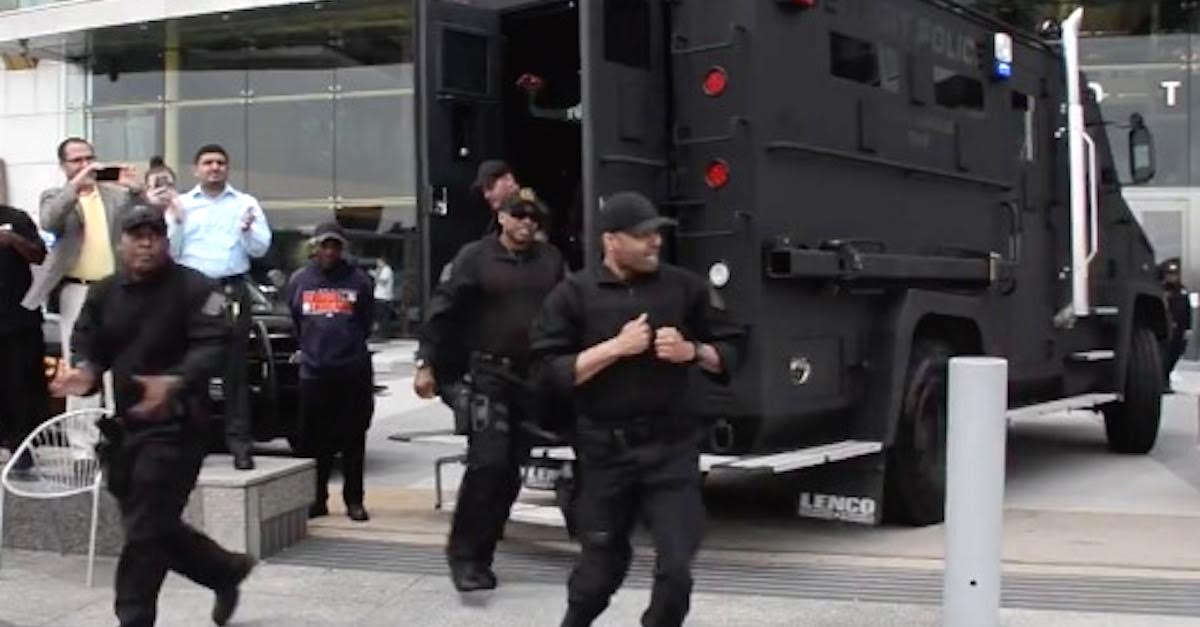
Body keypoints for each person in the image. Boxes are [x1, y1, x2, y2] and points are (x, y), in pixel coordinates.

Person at [530, 192, 745, 627]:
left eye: (657, 235)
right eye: (642, 236)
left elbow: (734, 350)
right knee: (600, 571)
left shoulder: (683, 287)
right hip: (604, 453)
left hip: (671, 449)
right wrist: (615, 348)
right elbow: (549, 371)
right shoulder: (574, 294)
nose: (655, 244)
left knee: (676, 569)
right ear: (611, 241)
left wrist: (693, 351)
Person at [50, 206, 256, 627]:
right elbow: (90, 345)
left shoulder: (199, 288)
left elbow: (214, 345)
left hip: (180, 426)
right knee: (154, 525)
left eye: (154, 235)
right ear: (121, 241)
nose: (145, 243)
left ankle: (134, 619)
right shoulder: (105, 292)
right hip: (127, 430)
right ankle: (224, 570)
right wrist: (83, 374)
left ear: (166, 240)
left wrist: (175, 381)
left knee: (145, 530)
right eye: (136, 234)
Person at [413, 187, 565, 592]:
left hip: (531, 379)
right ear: (502, 217)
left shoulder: (550, 261)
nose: (526, 223)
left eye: (534, 218)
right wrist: (426, 362)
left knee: (512, 470)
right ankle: (465, 555)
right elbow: (442, 309)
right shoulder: (474, 258)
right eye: (519, 215)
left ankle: (486, 548)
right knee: (487, 464)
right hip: (487, 376)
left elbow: (569, 311)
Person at [169, 144, 271, 470]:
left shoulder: (245, 203)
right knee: (192, 371)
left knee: (235, 371)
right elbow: (170, 252)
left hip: (231, 290)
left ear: (227, 168)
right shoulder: (181, 204)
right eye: (207, 163)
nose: (214, 168)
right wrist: (177, 223)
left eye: (220, 163)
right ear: (196, 169)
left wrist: (246, 230)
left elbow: (260, 248)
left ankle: (240, 444)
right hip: (192, 292)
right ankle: (194, 444)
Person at [23, 137, 145, 409]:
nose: (85, 165)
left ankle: (118, 433)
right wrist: (77, 185)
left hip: (117, 288)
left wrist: (138, 192)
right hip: (76, 289)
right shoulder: (55, 196)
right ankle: (81, 446)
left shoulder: (115, 195)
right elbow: (49, 221)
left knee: (121, 360)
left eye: (89, 159)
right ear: (63, 165)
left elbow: (145, 221)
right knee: (80, 365)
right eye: (77, 160)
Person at [286, 222, 375, 522]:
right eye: (324, 245)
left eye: (335, 246)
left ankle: (354, 500)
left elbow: (366, 322)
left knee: (353, 439)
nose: (329, 251)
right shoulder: (300, 280)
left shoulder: (359, 280)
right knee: (313, 441)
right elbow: (297, 321)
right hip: (314, 373)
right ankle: (317, 499)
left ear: (342, 248)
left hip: (352, 371)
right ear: (315, 247)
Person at [0, 204, 48, 470]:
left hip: (18, 319)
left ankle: (22, 446)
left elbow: (40, 255)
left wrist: (12, 240)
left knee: (22, 384)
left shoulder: (15, 218)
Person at [1161, 258, 1191, 388]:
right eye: (1169, 274)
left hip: (1180, 328)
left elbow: (1187, 310)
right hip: (1166, 328)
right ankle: (1163, 381)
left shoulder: (1182, 290)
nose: (1171, 277)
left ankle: (1166, 377)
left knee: (1176, 353)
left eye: (1174, 274)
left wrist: (1188, 328)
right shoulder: (1161, 290)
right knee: (1165, 355)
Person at [372, 258, 395, 340]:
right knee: (378, 316)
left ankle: (383, 335)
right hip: (378, 296)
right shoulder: (380, 270)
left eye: (379, 262)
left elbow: (383, 281)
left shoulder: (386, 270)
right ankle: (379, 333)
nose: (377, 264)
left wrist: (375, 275)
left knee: (383, 317)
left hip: (384, 297)